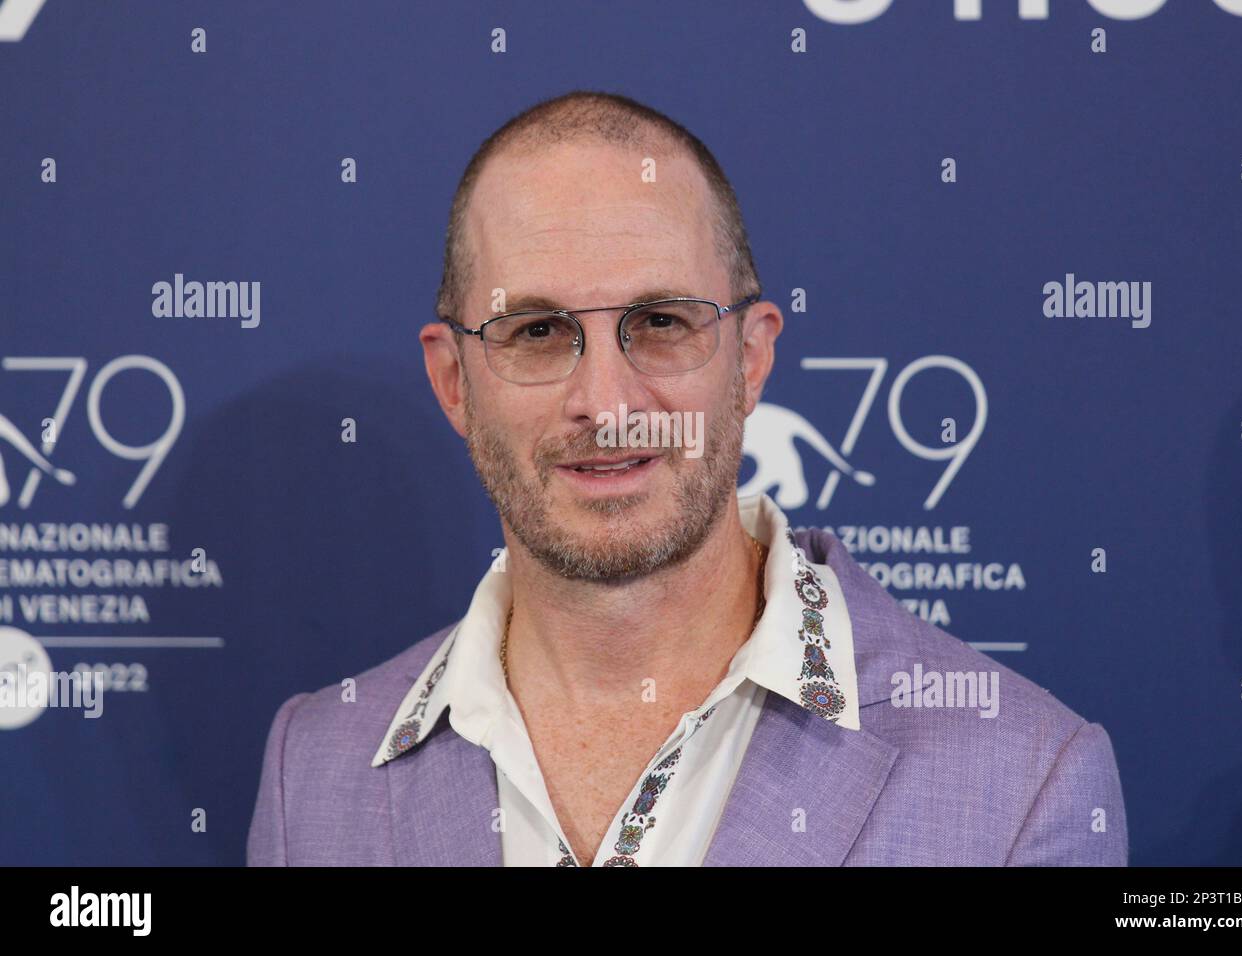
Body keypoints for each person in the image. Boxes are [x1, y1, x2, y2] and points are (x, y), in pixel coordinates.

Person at [247, 89, 1127, 867]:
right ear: (453, 382)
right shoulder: (312, 773)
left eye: (660, 321)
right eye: (539, 333)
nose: (606, 403)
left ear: (750, 359)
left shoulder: (1021, 784)